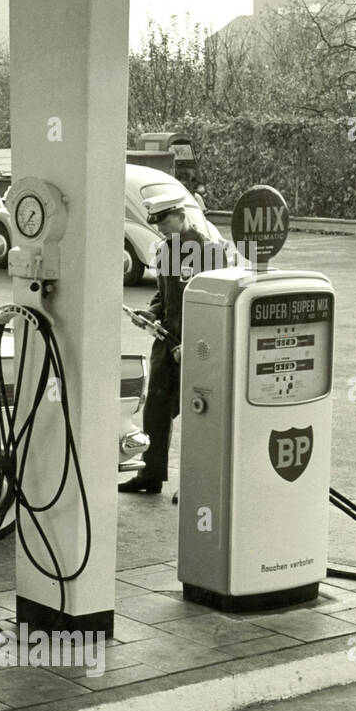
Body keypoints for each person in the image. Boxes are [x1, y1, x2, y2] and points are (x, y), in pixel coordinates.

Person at [118, 192, 225, 495]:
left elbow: (211, 305)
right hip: (166, 343)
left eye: (165, 221)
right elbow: (162, 297)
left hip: (197, 348)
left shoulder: (209, 252)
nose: (161, 228)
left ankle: (197, 483)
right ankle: (151, 475)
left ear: (180, 216)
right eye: (157, 223)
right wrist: (149, 313)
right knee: (156, 410)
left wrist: (190, 345)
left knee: (199, 415)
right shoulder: (165, 251)